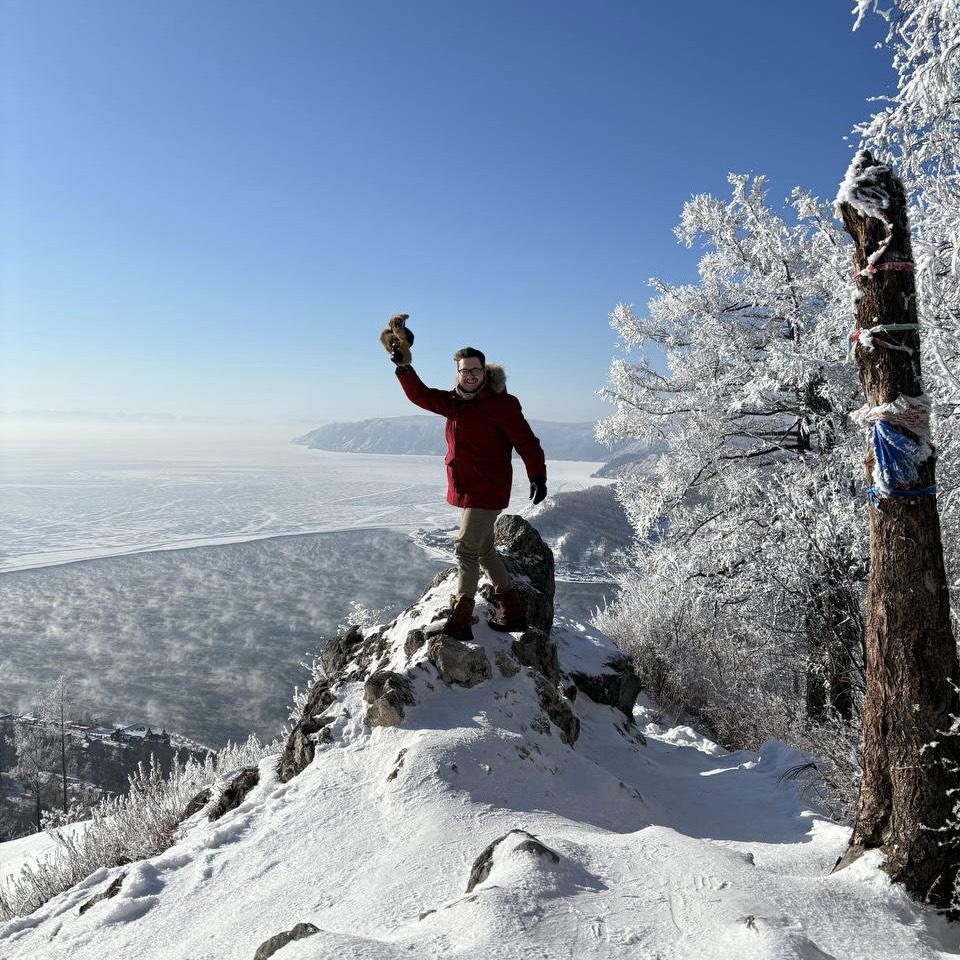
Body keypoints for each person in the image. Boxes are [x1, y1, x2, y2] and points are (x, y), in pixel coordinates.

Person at [388, 333, 547, 641]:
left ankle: (460, 621)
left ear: (485, 372)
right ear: (458, 373)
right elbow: (420, 395)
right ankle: (512, 613)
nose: (470, 375)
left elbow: (526, 442)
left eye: (475, 370)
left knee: (465, 548)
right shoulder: (454, 403)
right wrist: (405, 369)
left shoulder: (502, 404)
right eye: (464, 371)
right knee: (485, 549)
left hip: (488, 488)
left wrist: (537, 475)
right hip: (467, 488)